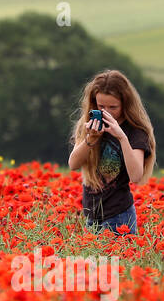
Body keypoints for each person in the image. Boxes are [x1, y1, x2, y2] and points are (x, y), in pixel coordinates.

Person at [66, 69, 156, 235]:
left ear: (125, 104)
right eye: (101, 106)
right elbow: (73, 164)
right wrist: (91, 139)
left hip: (119, 217)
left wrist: (121, 137)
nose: (106, 111)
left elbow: (136, 176)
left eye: (113, 107)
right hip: (92, 216)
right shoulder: (91, 123)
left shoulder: (135, 132)